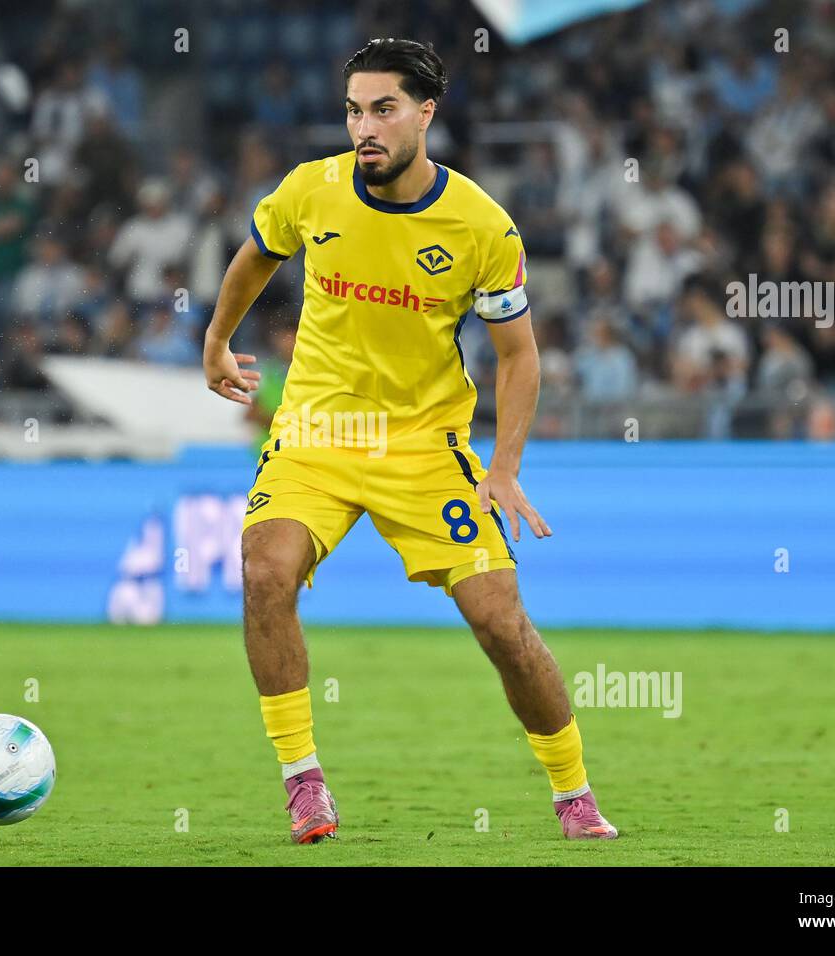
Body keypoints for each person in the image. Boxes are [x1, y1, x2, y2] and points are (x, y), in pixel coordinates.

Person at [202, 39, 616, 845]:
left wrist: (503, 468)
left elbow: (519, 353)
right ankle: (304, 783)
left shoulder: (481, 226)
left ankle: (574, 795)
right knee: (264, 569)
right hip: (318, 431)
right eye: (354, 110)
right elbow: (256, 255)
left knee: (500, 621)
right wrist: (218, 338)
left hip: (427, 444)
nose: (365, 127)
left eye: (383, 109)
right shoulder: (311, 190)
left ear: (426, 113)